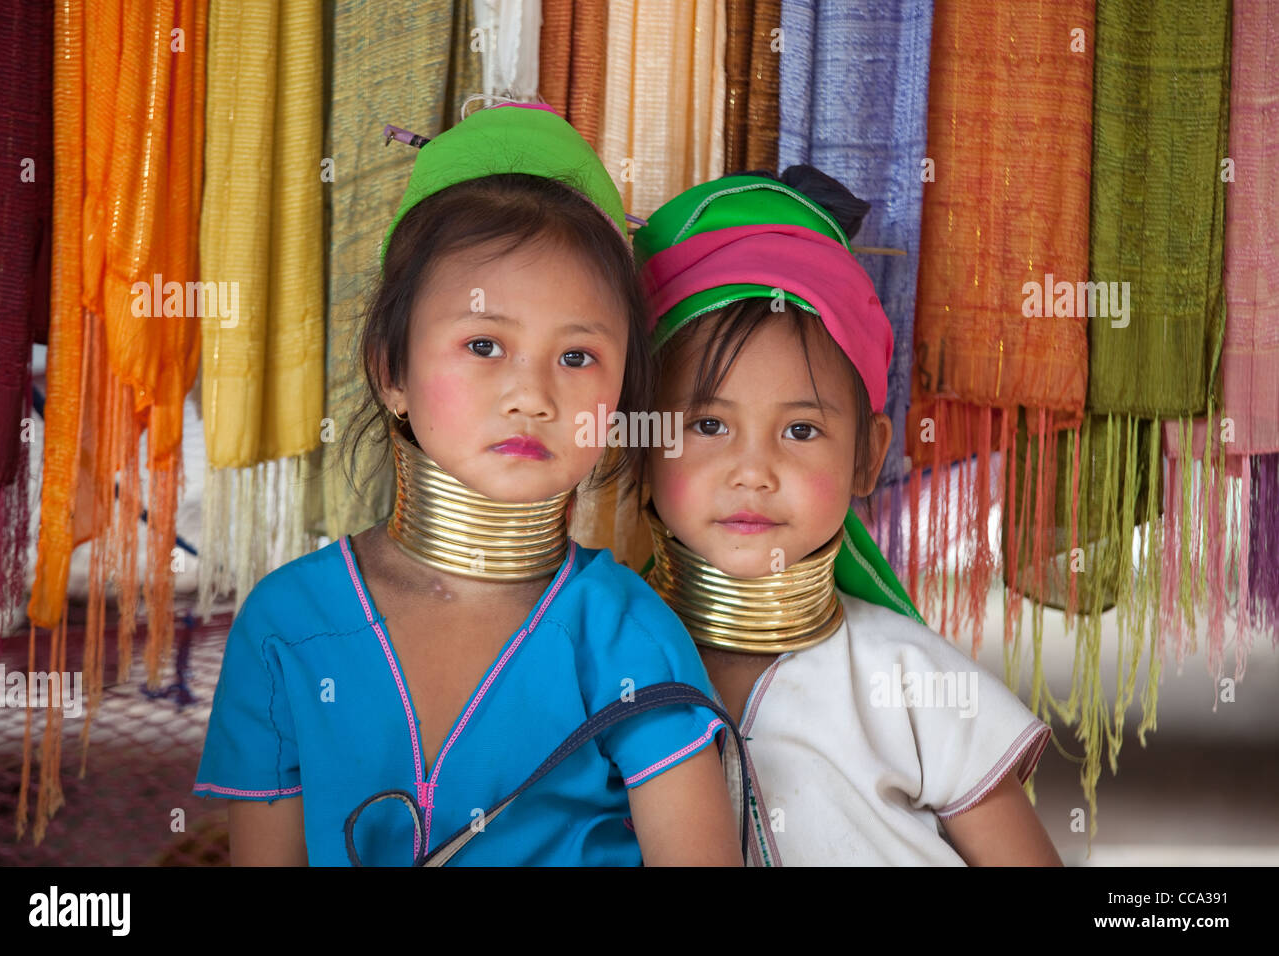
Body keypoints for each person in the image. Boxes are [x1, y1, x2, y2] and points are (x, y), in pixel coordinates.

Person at [192, 101, 741, 866]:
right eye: (485, 343)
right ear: (393, 373)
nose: (533, 395)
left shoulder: (626, 634)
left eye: (578, 356)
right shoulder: (288, 625)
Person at [633, 169, 1062, 865]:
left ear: (868, 458)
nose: (753, 471)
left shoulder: (906, 677)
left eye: (800, 431)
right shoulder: (611, 657)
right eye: (709, 425)